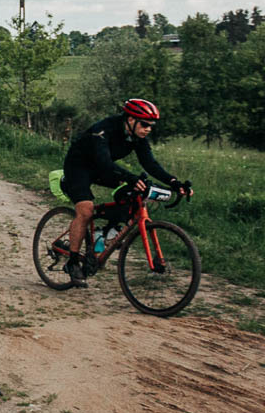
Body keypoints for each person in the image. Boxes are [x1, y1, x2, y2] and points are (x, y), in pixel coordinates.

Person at [53, 98, 191, 279]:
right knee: (85, 211)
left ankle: (103, 233)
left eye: (151, 126)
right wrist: (129, 177)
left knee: (135, 194)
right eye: (145, 124)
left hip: (103, 169)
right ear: (131, 120)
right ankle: (72, 262)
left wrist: (174, 182)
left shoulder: (137, 136)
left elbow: (150, 164)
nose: (148, 129)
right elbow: (104, 161)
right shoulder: (103, 130)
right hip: (79, 167)